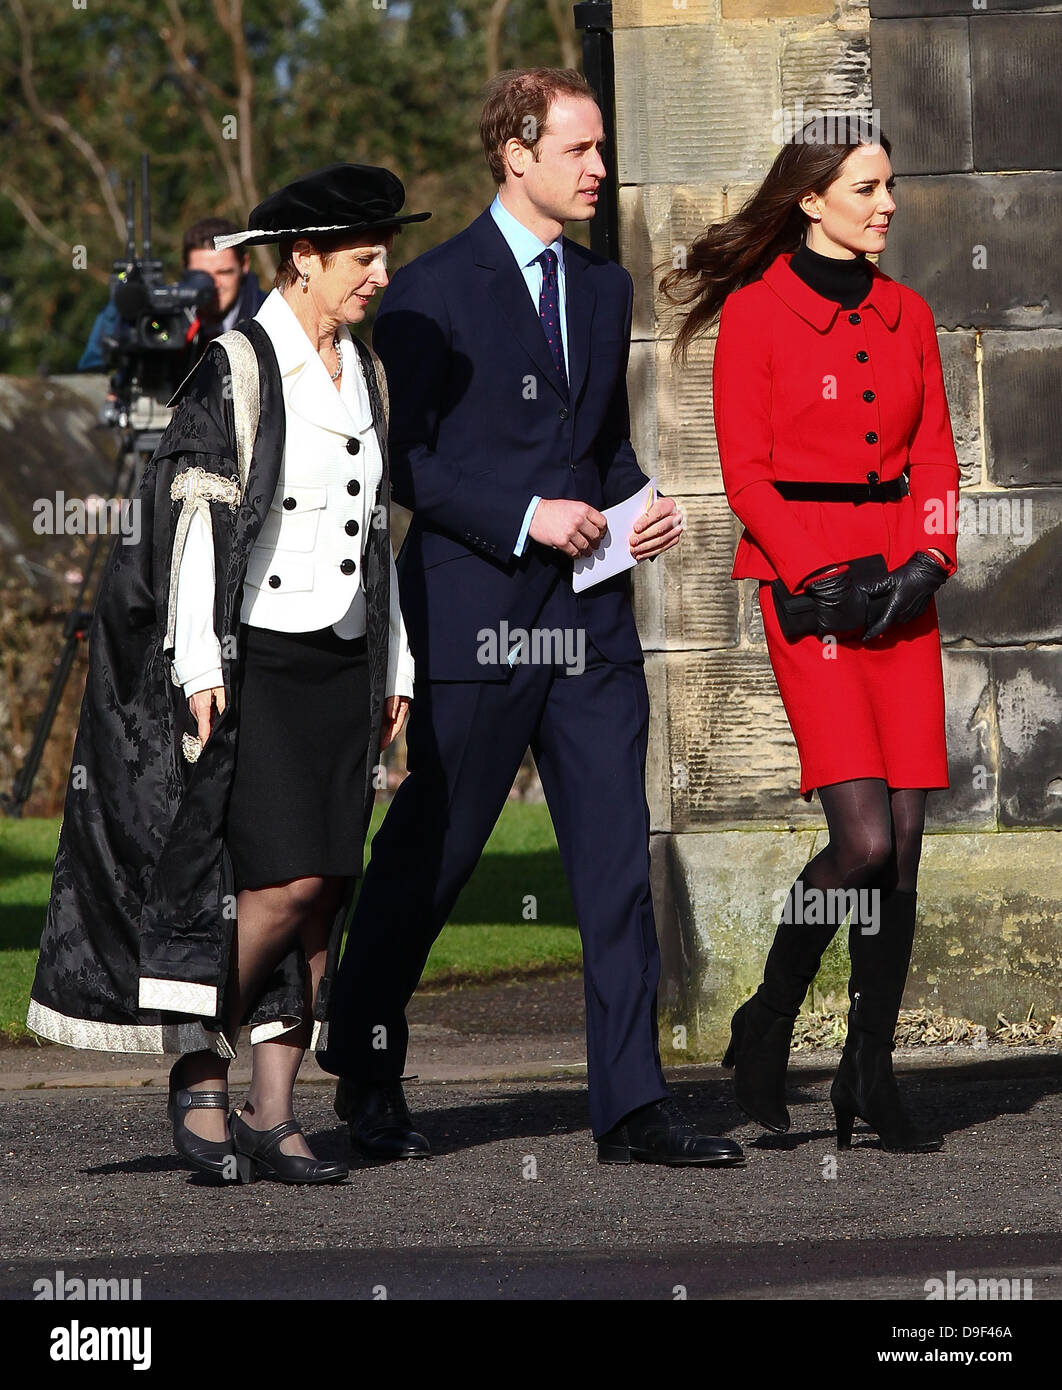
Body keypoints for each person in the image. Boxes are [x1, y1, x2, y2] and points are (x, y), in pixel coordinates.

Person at [317, 68, 745, 1170]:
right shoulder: (424, 291)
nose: (601, 168)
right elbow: (403, 463)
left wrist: (638, 507)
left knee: (613, 859)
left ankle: (633, 1103)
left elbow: (599, 448)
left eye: (600, 148)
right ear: (516, 153)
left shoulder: (604, 292)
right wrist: (522, 515)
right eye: (579, 150)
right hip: (474, 614)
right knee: (437, 853)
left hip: (593, 618)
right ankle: (364, 1066)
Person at [28, 164, 430, 1184]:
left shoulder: (369, 372)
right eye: (363, 257)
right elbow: (198, 523)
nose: (381, 275)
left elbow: (379, 533)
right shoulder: (238, 364)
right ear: (303, 260)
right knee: (275, 885)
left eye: (383, 254)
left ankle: (273, 1109)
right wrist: (196, 663)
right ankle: (196, 1057)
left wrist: (400, 664)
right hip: (259, 661)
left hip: (347, 657)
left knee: (326, 888)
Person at [661, 120, 959, 1153]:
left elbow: (936, 459)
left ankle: (869, 1068)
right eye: (867, 187)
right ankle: (766, 1020)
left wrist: (925, 562)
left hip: (901, 582)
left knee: (908, 850)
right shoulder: (755, 314)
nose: (887, 204)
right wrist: (823, 580)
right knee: (862, 839)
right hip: (810, 582)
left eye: (890, 185)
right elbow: (745, 472)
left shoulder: (909, 310)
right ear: (811, 199)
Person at [77, 217, 267, 372]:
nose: (212, 286)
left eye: (223, 272)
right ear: (185, 269)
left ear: (244, 265)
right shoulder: (163, 310)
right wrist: (123, 315)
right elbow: (91, 373)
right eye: (201, 278)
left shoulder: (269, 318)